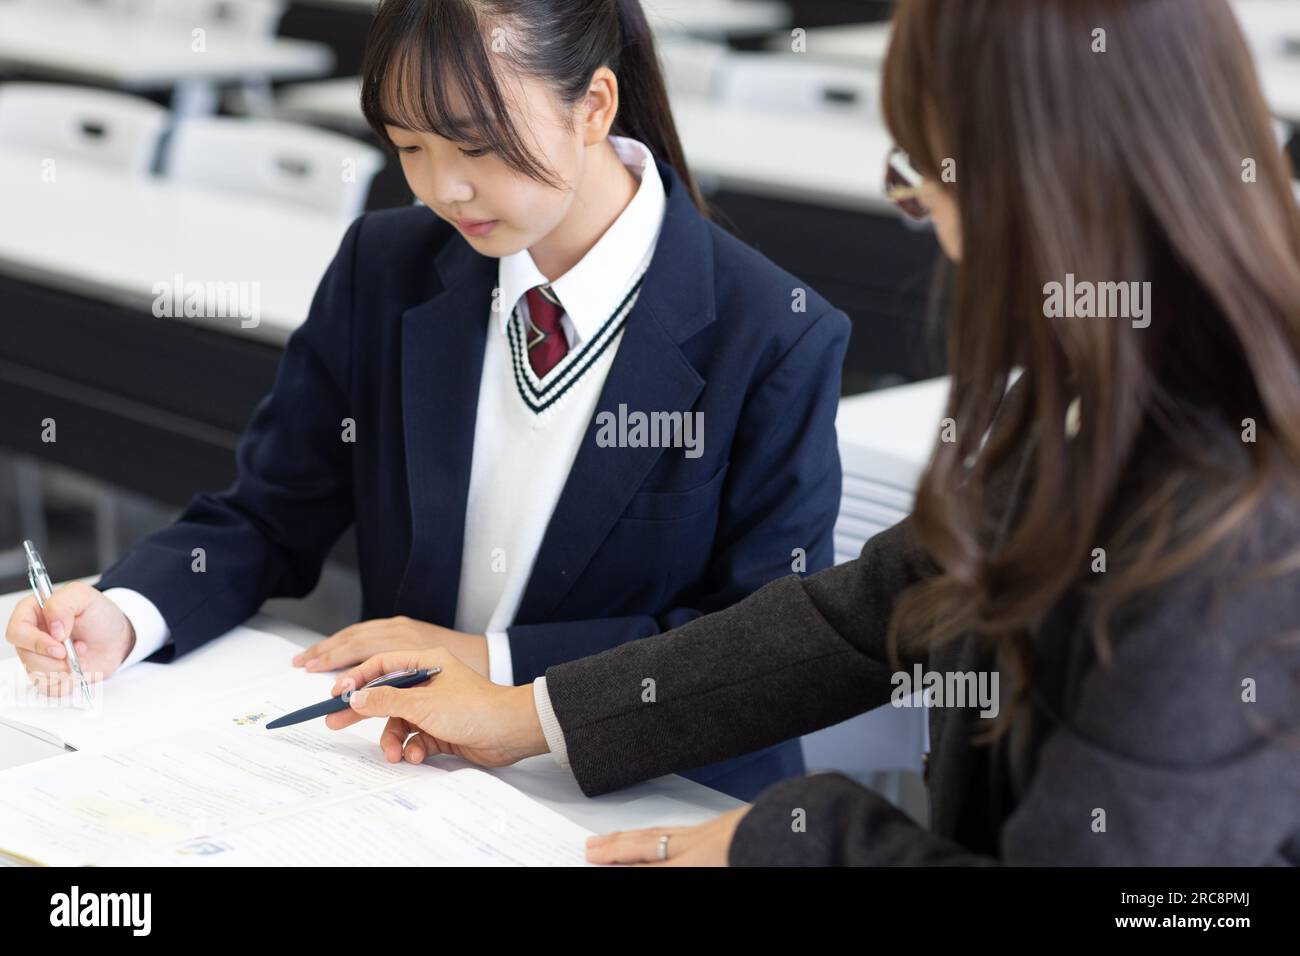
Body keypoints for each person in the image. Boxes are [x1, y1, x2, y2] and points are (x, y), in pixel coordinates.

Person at [319, 0, 1300, 865]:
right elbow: (864, 612)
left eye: (922, 174)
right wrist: (530, 711)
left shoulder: (1222, 518)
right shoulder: (1086, 378)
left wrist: (797, 833)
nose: (932, 225)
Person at [4, 0, 853, 801]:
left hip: (651, 794)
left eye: (476, 147)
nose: (441, 189)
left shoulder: (772, 334)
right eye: (409, 148)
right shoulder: (390, 265)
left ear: (593, 106)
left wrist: (491, 660)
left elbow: (757, 647)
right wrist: (125, 613)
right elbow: (269, 513)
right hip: (414, 780)